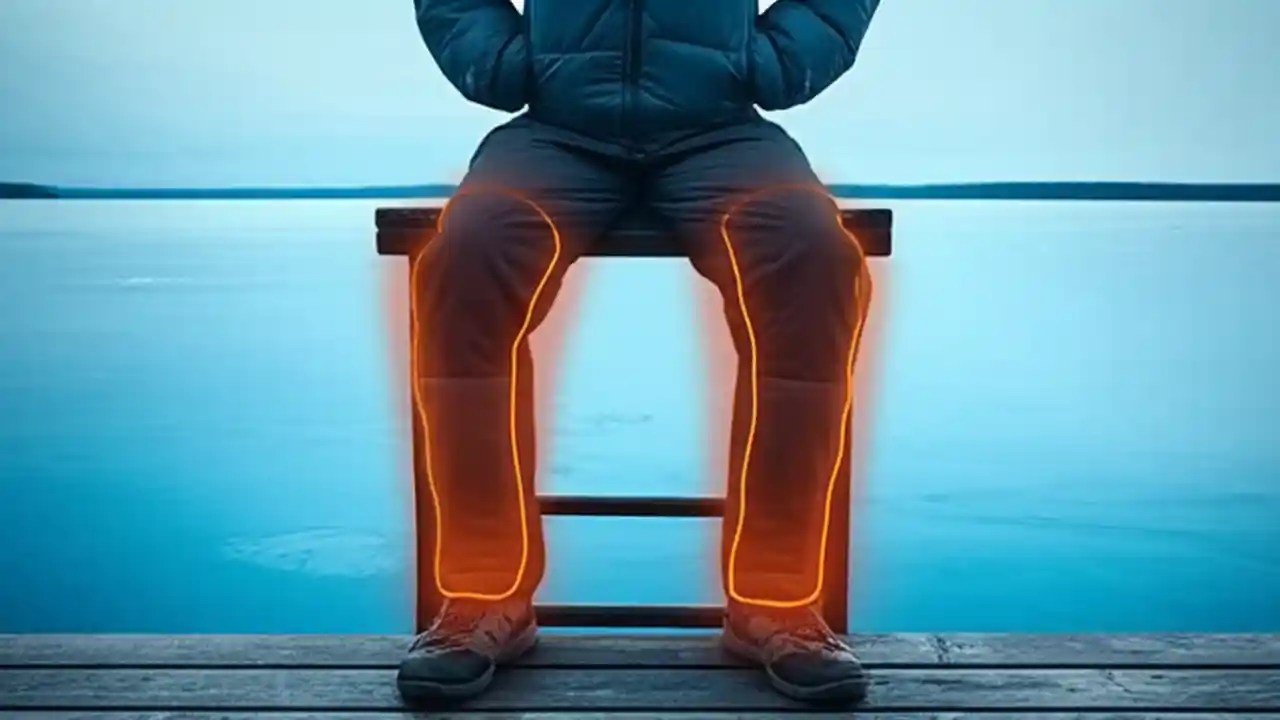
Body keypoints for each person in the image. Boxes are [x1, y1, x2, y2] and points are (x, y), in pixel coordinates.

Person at [396, 0, 882, 706]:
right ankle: (483, 594)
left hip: (724, 134)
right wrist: (509, 63)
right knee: (467, 257)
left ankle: (775, 600)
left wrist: (771, 60)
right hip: (555, 134)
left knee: (811, 256)